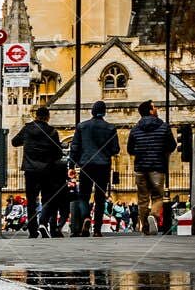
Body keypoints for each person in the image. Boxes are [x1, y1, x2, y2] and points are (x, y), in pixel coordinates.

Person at [68, 101, 120, 237]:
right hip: (103, 166)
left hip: (86, 164)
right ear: (104, 112)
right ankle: (97, 230)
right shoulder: (110, 128)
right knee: (100, 197)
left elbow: (74, 147)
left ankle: (86, 217)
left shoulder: (82, 126)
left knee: (83, 196)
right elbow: (115, 149)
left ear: (92, 111)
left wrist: (71, 165)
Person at [12, 106, 65, 238]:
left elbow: (14, 142)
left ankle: (32, 230)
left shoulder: (27, 129)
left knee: (31, 201)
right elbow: (58, 153)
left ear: (36, 116)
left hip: (30, 170)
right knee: (48, 200)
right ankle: (46, 225)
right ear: (47, 117)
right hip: (47, 170)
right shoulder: (52, 132)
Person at [126, 99, 177, 235]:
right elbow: (172, 146)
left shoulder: (135, 129)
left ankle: (145, 228)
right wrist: (162, 152)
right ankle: (153, 216)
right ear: (149, 111)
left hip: (140, 167)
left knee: (142, 198)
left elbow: (130, 149)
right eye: (154, 107)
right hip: (157, 167)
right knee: (158, 196)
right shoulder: (164, 126)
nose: (156, 109)